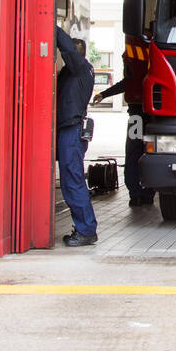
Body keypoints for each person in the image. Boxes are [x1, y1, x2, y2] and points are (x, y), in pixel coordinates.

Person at [56, 26, 98, 247]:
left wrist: (51, 28)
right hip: (68, 130)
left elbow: (68, 51)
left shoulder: (80, 69)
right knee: (71, 180)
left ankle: (86, 229)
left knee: (73, 181)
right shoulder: (75, 72)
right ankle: (84, 227)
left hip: (72, 131)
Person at [93, 73, 154, 208]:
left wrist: (104, 94)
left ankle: (135, 195)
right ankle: (148, 194)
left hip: (136, 117)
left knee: (133, 155)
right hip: (155, 119)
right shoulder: (157, 69)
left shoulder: (137, 67)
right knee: (152, 154)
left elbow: (126, 83)